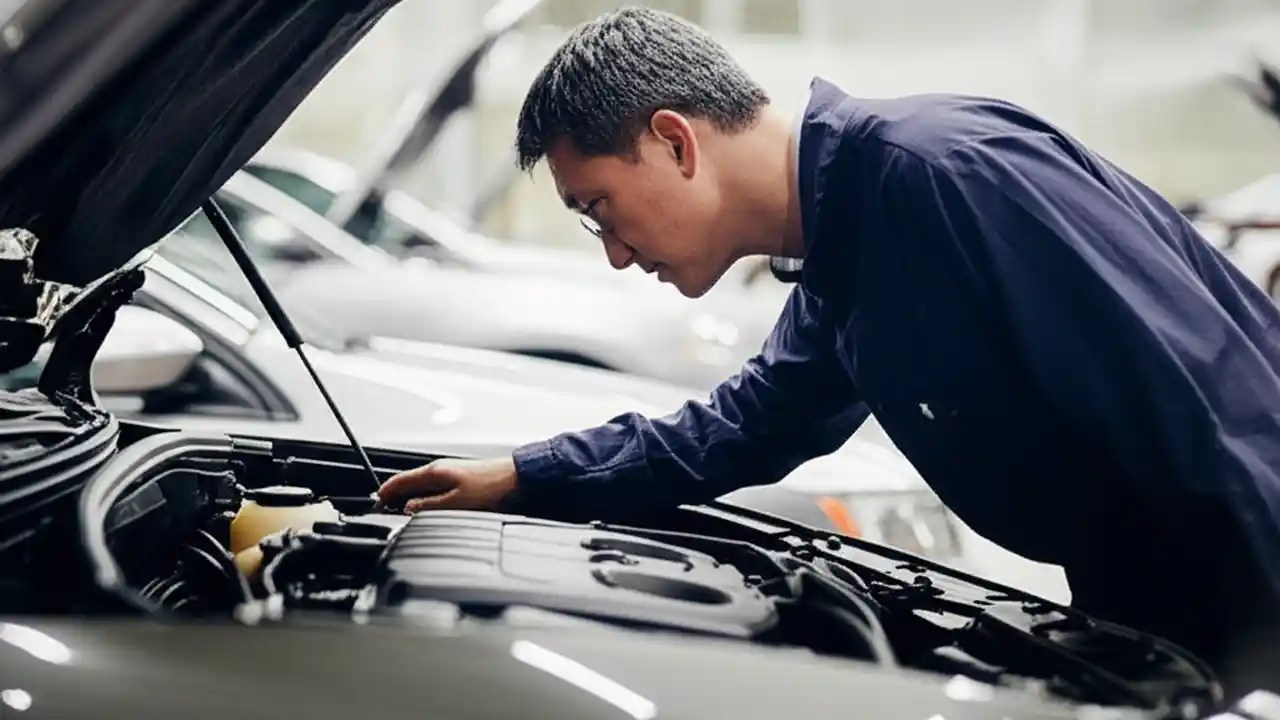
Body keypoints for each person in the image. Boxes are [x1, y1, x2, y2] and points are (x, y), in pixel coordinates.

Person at [378, 6, 1280, 679]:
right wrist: (526, 475)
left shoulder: (944, 175)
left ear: (673, 142)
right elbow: (741, 429)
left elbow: (1216, 418)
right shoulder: (844, 243)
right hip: (1154, 625)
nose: (614, 254)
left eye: (599, 210)